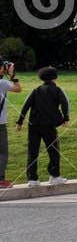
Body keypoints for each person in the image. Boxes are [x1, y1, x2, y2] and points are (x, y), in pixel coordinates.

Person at [15, 67, 69, 187]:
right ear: (55, 77)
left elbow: (26, 106)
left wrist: (19, 122)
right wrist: (66, 118)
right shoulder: (57, 90)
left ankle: (32, 179)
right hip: (49, 126)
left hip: (34, 125)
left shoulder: (36, 90)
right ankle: (55, 176)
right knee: (53, 150)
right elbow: (65, 103)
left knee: (32, 152)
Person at [0, 58, 21, 188]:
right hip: (0, 123)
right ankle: (0, 179)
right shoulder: (2, 83)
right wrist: (12, 75)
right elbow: (18, 89)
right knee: (2, 151)